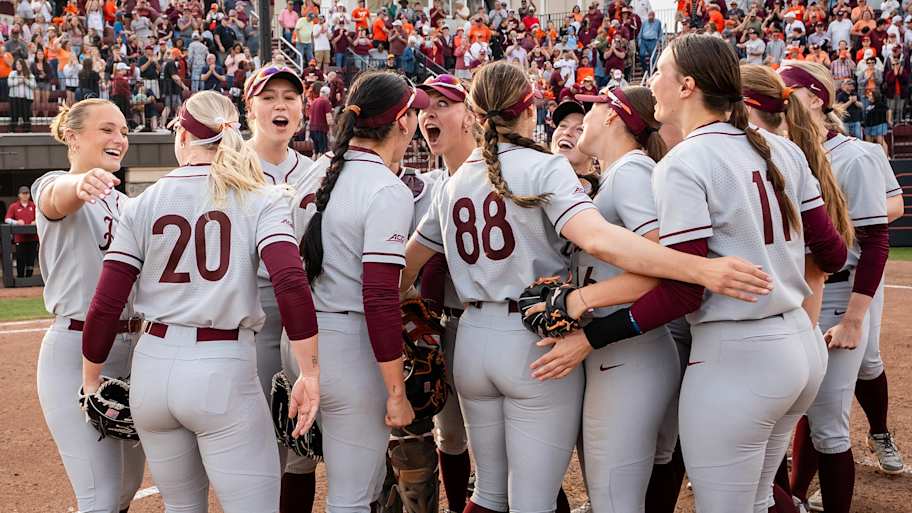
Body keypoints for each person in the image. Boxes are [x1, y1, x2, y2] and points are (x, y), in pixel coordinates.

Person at [398, 60, 775, 513]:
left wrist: (398, 308)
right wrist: (695, 268)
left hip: (472, 341)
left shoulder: (452, 181)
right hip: (534, 341)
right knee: (532, 500)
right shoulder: (544, 167)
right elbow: (598, 240)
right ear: (529, 109)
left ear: (477, 116)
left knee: (490, 493)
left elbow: (404, 268)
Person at [529, 36, 849, 513]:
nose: (652, 82)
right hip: (797, 346)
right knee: (760, 502)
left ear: (687, 86)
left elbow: (682, 294)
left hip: (736, 354)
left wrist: (592, 335)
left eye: (659, 71)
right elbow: (834, 253)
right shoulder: (782, 150)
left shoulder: (684, 161)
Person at [80, 91, 320, 513]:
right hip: (221, 366)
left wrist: (91, 380)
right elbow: (289, 280)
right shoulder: (262, 197)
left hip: (152, 367)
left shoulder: (142, 202)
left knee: (181, 507)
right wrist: (310, 372)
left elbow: (105, 303)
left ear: (184, 136)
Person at [291, 71, 428, 513]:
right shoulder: (386, 188)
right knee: (352, 498)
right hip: (350, 350)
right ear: (402, 122)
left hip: (298, 343)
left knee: (298, 475)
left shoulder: (313, 172)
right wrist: (396, 392)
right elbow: (379, 298)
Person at [779, 61, 891, 513]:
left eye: (788, 95)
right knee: (798, 410)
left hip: (840, 296)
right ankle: (797, 498)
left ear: (815, 99)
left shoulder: (856, 156)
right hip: (795, 295)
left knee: (828, 423)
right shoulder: (784, 154)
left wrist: (853, 321)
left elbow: (877, 242)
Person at [566, 85, 681, 512]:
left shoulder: (631, 171)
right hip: (629, 351)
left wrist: (581, 296)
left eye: (592, 107)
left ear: (613, 116)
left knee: (614, 498)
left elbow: (662, 263)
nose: (585, 116)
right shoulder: (622, 171)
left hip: (629, 353)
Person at [33, 98, 146, 513]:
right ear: (72, 136)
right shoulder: (54, 184)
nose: (119, 138)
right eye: (107, 129)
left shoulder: (124, 203)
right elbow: (57, 198)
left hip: (134, 352)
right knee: (98, 496)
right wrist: (78, 185)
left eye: (124, 131)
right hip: (76, 350)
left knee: (125, 487)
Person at [243, 64, 320, 513]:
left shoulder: (315, 171)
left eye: (290, 97)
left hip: (304, 312)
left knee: (301, 445)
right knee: (257, 439)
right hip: (250, 311)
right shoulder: (227, 167)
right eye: (269, 96)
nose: (280, 105)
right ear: (249, 106)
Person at [5, 186, 38, 278]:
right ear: (19, 195)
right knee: (20, 258)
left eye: (27, 193)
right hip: (20, 237)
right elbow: (7, 219)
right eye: (23, 193)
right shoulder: (14, 206)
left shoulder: (34, 205)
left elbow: (41, 217)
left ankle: (29, 278)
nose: (25, 195)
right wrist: (16, 222)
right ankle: (20, 278)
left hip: (33, 238)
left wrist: (36, 221)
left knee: (31, 259)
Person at [309, 84, 333, 159]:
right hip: (321, 130)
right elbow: (328, 118)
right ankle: (321, 169)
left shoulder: (314, 101)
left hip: (312, 129)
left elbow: (310, 116)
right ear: (328, 94)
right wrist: (331, 131)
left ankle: (313, 166)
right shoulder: (326, 102)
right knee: (322, 152)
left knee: (315, 151)